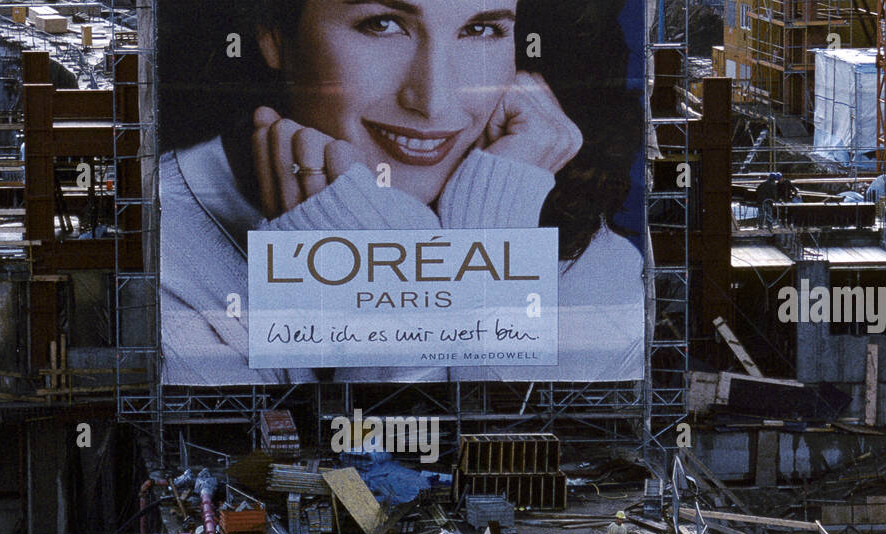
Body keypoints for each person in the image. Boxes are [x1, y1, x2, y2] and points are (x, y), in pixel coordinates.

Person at [157, 0, 645, 386]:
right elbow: (372, 498)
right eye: (383, 24)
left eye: (481, 29)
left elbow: (528, 477)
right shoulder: (166, 251)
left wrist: (488, 240)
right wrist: (400, 286)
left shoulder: (593, 263)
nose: (433, 102)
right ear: (273, 36)